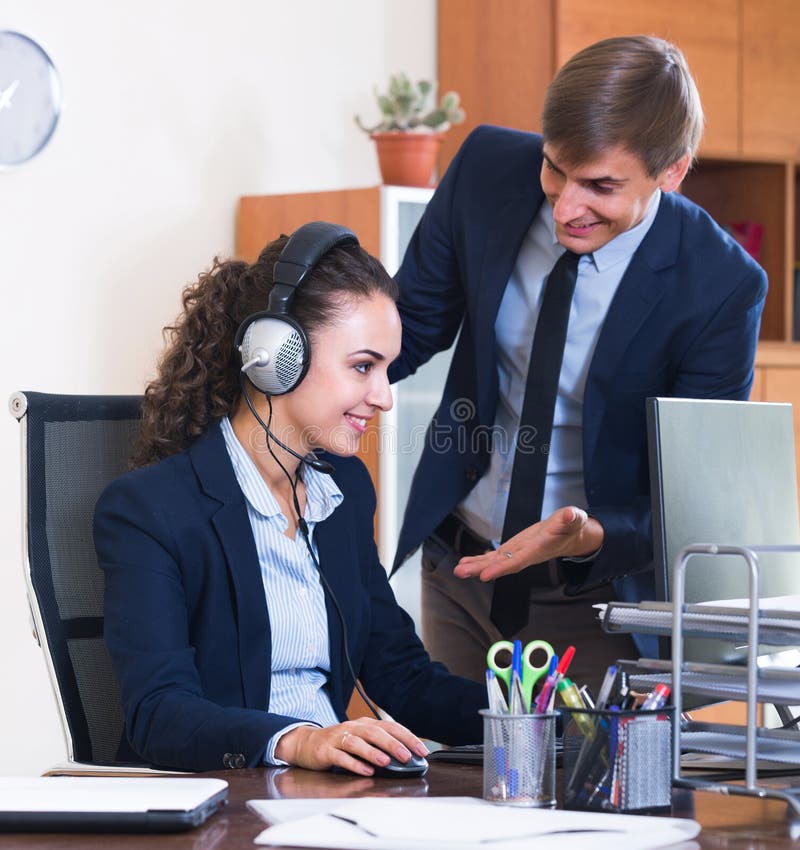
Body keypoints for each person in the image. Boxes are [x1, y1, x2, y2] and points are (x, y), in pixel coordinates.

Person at [388, 35, 768, 691]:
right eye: (555, 169)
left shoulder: (720, 286)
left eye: (600, 185)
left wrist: (587, 536)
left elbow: (693, 501)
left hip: (595, 602)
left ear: (671, 172)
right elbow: (409, 326)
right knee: (450, 781)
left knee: (583, 789)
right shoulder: (485, 169)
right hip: (458, 567)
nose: (565, 206)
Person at [94, 222, 485, 774]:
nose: (384, 397)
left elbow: (403, 677)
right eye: (363, 366)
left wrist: (544, 716)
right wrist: (298, 740)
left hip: (327, 795)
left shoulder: (341, 492)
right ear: (276, 355)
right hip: (223, 802)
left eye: (387, 370)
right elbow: (160, 714)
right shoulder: (150, 510)